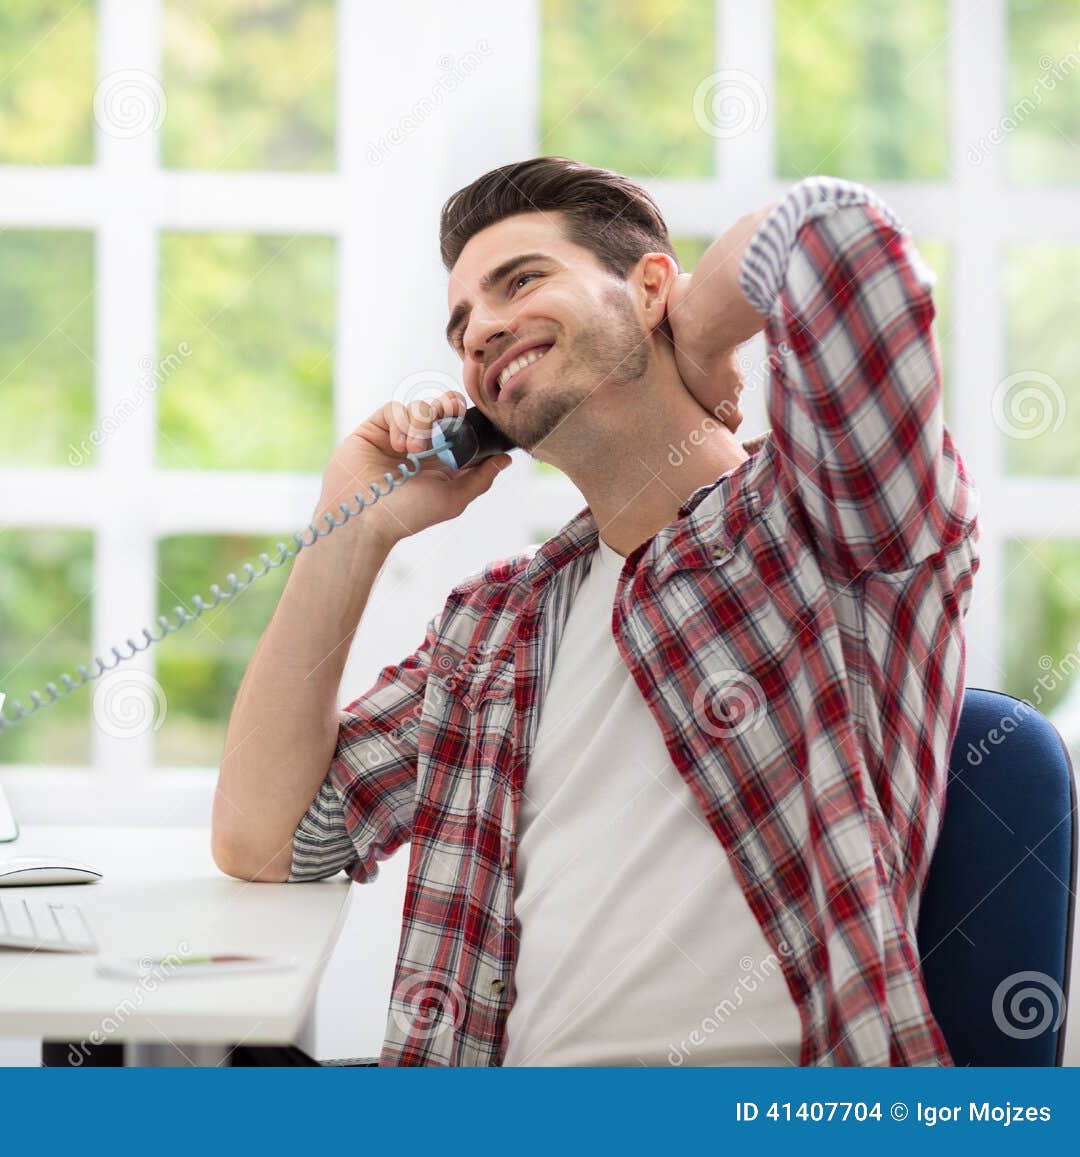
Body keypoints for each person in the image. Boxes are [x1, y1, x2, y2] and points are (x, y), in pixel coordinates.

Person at [211, 157, 980, 1067]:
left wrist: (701, 329)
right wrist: (354, 526)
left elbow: (841, 242)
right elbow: (269, 842)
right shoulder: (500, 624)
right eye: (461, 327)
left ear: (652, 286)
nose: (483, 330)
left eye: (521, 281)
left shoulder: (831, 526)